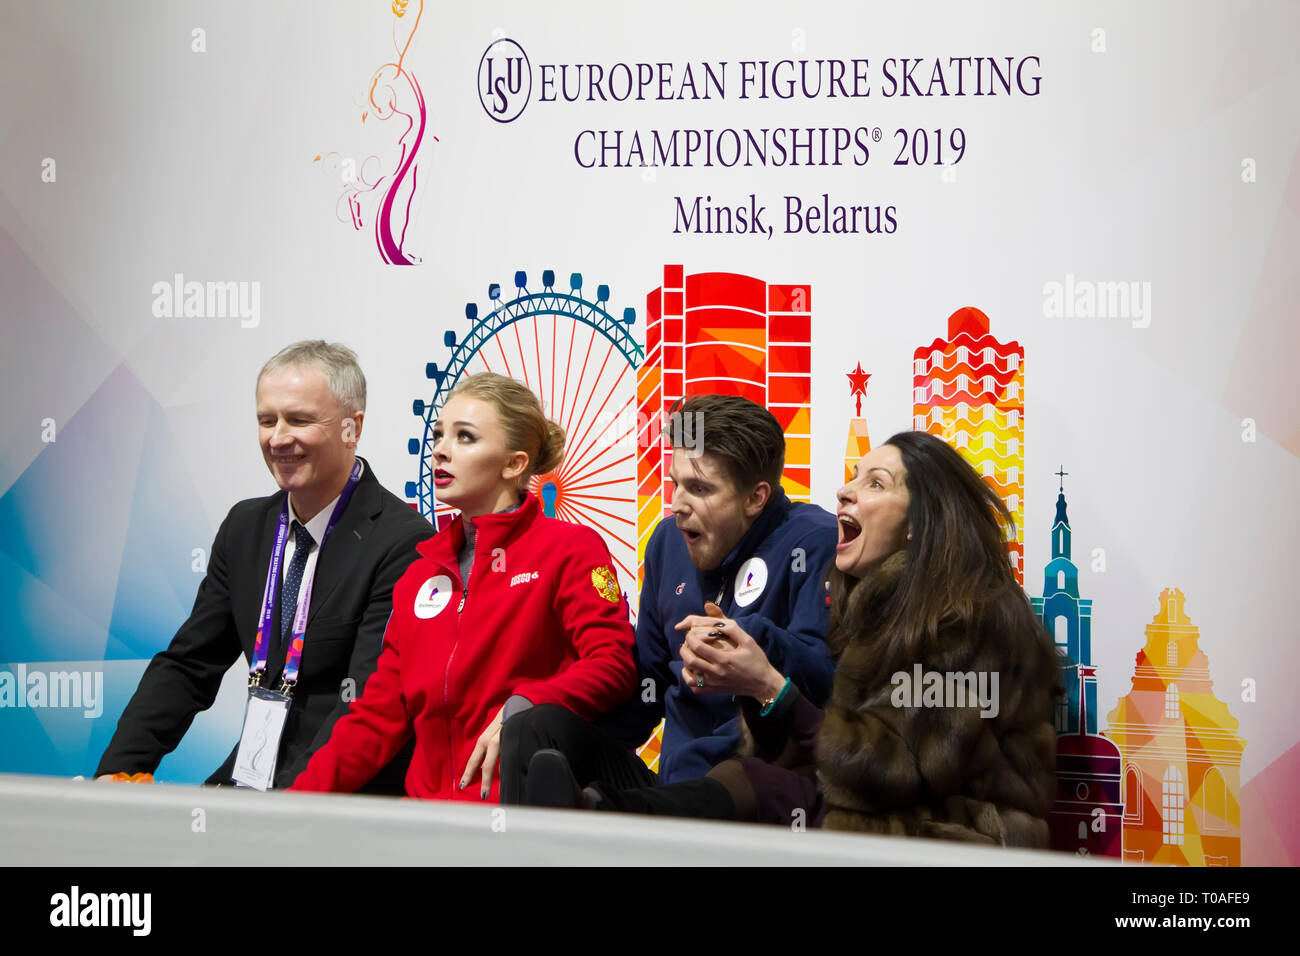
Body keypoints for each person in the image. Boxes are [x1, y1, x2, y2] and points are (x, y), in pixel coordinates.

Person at [525, 431, 1062, 848]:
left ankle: (603, 819)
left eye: (875, 483)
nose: (845, 491)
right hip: (869, 812)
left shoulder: (976, 617)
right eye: (853, 476)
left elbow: (898, 770)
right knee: (543, 729)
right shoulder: (865, 605)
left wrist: (771, 689)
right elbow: (817, 751)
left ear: (920, 523)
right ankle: (596, 815)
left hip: (946, 835)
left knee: (759, 783)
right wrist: (757, 692)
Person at [96, 341, 433, 791]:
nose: (278, 438)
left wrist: (279, 811)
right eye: (266, 420)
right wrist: (117, 771)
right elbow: (188, 666)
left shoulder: (403, 540)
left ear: (353, 428)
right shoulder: (246, 527)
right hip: (250, 778)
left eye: (299, 419)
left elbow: (366, 704)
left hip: (337, 795)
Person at [289, 373, 638, 800]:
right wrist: (297, 801)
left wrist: (524, 708)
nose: (440, 450)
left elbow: (613, 663)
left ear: (515, 464)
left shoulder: (569, 550)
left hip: (524, 814)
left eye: (465, 437)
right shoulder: (419, 573)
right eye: (439, 435)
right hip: (432, 823)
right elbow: (377, 717)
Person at [499, 394, 838, 803]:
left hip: (754, 785)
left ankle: (605, 810)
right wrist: (571, 733)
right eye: (675, 483)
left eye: (699, 488)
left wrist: (749, 638)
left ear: (756, 498)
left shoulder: (813, 539)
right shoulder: (666, 542)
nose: (677, 505)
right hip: (671, 782)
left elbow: (824, 680)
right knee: (533, 730)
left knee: (704, 785)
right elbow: (650, 682)